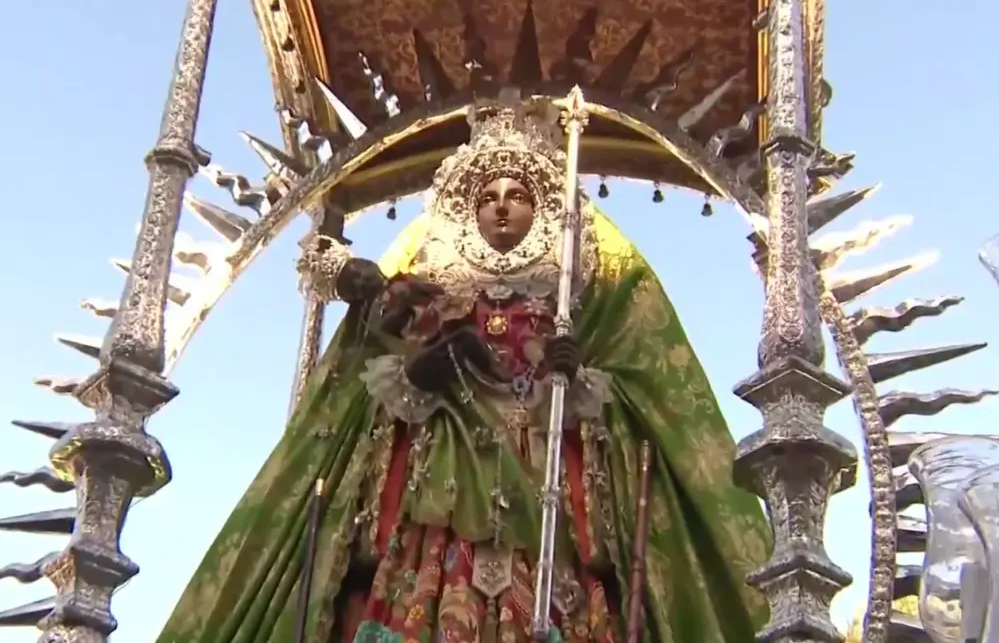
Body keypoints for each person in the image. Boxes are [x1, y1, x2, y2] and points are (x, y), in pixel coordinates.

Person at [156, 102, 771, 643]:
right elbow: (374, 379)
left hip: (543, 502)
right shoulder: (429, 279)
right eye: (488, 198)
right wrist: (426, 364)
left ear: (545, 209)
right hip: (438, 508)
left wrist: (573, 375)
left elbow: (629, 398)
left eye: (519, 196)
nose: (502, 209)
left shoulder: (575, 293)